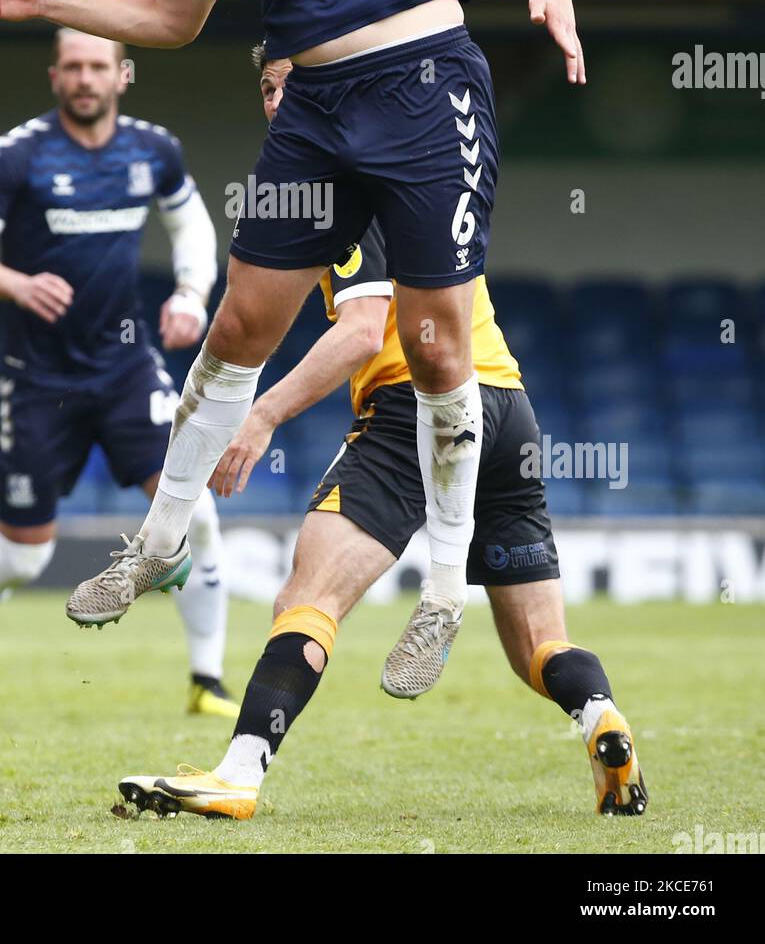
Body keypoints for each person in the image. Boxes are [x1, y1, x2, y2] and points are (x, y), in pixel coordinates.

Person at [0, 0, 584, 681]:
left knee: (433, 348)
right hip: (316, 107)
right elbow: (169, 16)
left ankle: (443, 588)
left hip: (424, 84)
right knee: (238, 325)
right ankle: (159, 542)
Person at [113, 51, 645, 823]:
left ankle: (236, 772)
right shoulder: (412, 158)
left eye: (291, 83)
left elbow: (362, 332)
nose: (275, 101)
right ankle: (602, 719)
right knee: (537, 645)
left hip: (415, 412)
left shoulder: (341, 185)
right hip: (505, 408)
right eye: (264, 87)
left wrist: (260, 414)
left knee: (307, 598)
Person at [0, 27, 239, 720]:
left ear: (122, 75)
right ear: (54, 76)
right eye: (73, 66)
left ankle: (206, 679)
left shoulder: (153, 149)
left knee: (199, 511)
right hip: (37, 381)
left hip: (126, 369)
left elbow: (193, 228)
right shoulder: (17, 155)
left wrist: (190, 294)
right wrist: (17, 284)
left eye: (98, 66)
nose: (86, 78)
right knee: (22, 560)